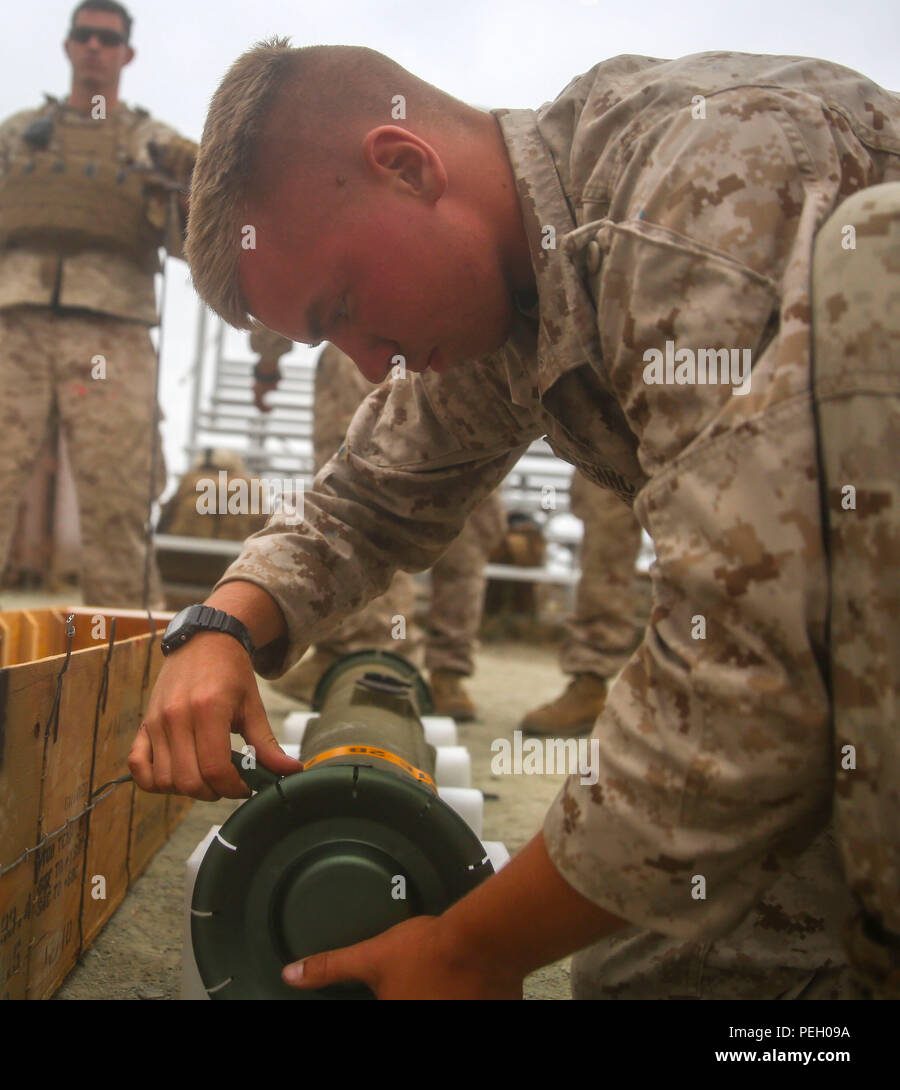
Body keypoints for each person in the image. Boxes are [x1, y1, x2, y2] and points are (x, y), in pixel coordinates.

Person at [129, 41, 900, 998]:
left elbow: (744, 680)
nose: (368, 364)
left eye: (345, 309)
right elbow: (366, 498)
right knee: (652, 980)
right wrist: (222, 624)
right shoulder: (515, 279)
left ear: (407, 167)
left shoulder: (694, 194)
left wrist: (470, 949)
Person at [0, 0, 196, 612]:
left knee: (121, 495)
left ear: (127, 55)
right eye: (85, 36)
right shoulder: (17, 135)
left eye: (109, 38)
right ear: (69, 46)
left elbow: (190, 249)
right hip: (7, 323)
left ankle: (127, 649)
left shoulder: (148, 142)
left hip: (113, 330)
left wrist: (191, 189)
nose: (95, 47)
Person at [255, 332, 506, 717]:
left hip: (366, 333)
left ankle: (369, 655)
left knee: (364, 491)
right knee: (462, 484)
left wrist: (268, 360)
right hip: (463, 329)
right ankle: (447, 674)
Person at [520, 472, 644, 735]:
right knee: (607, 534)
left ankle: (704, 687)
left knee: (707, 536)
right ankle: (590, 682)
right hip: (620, 437)